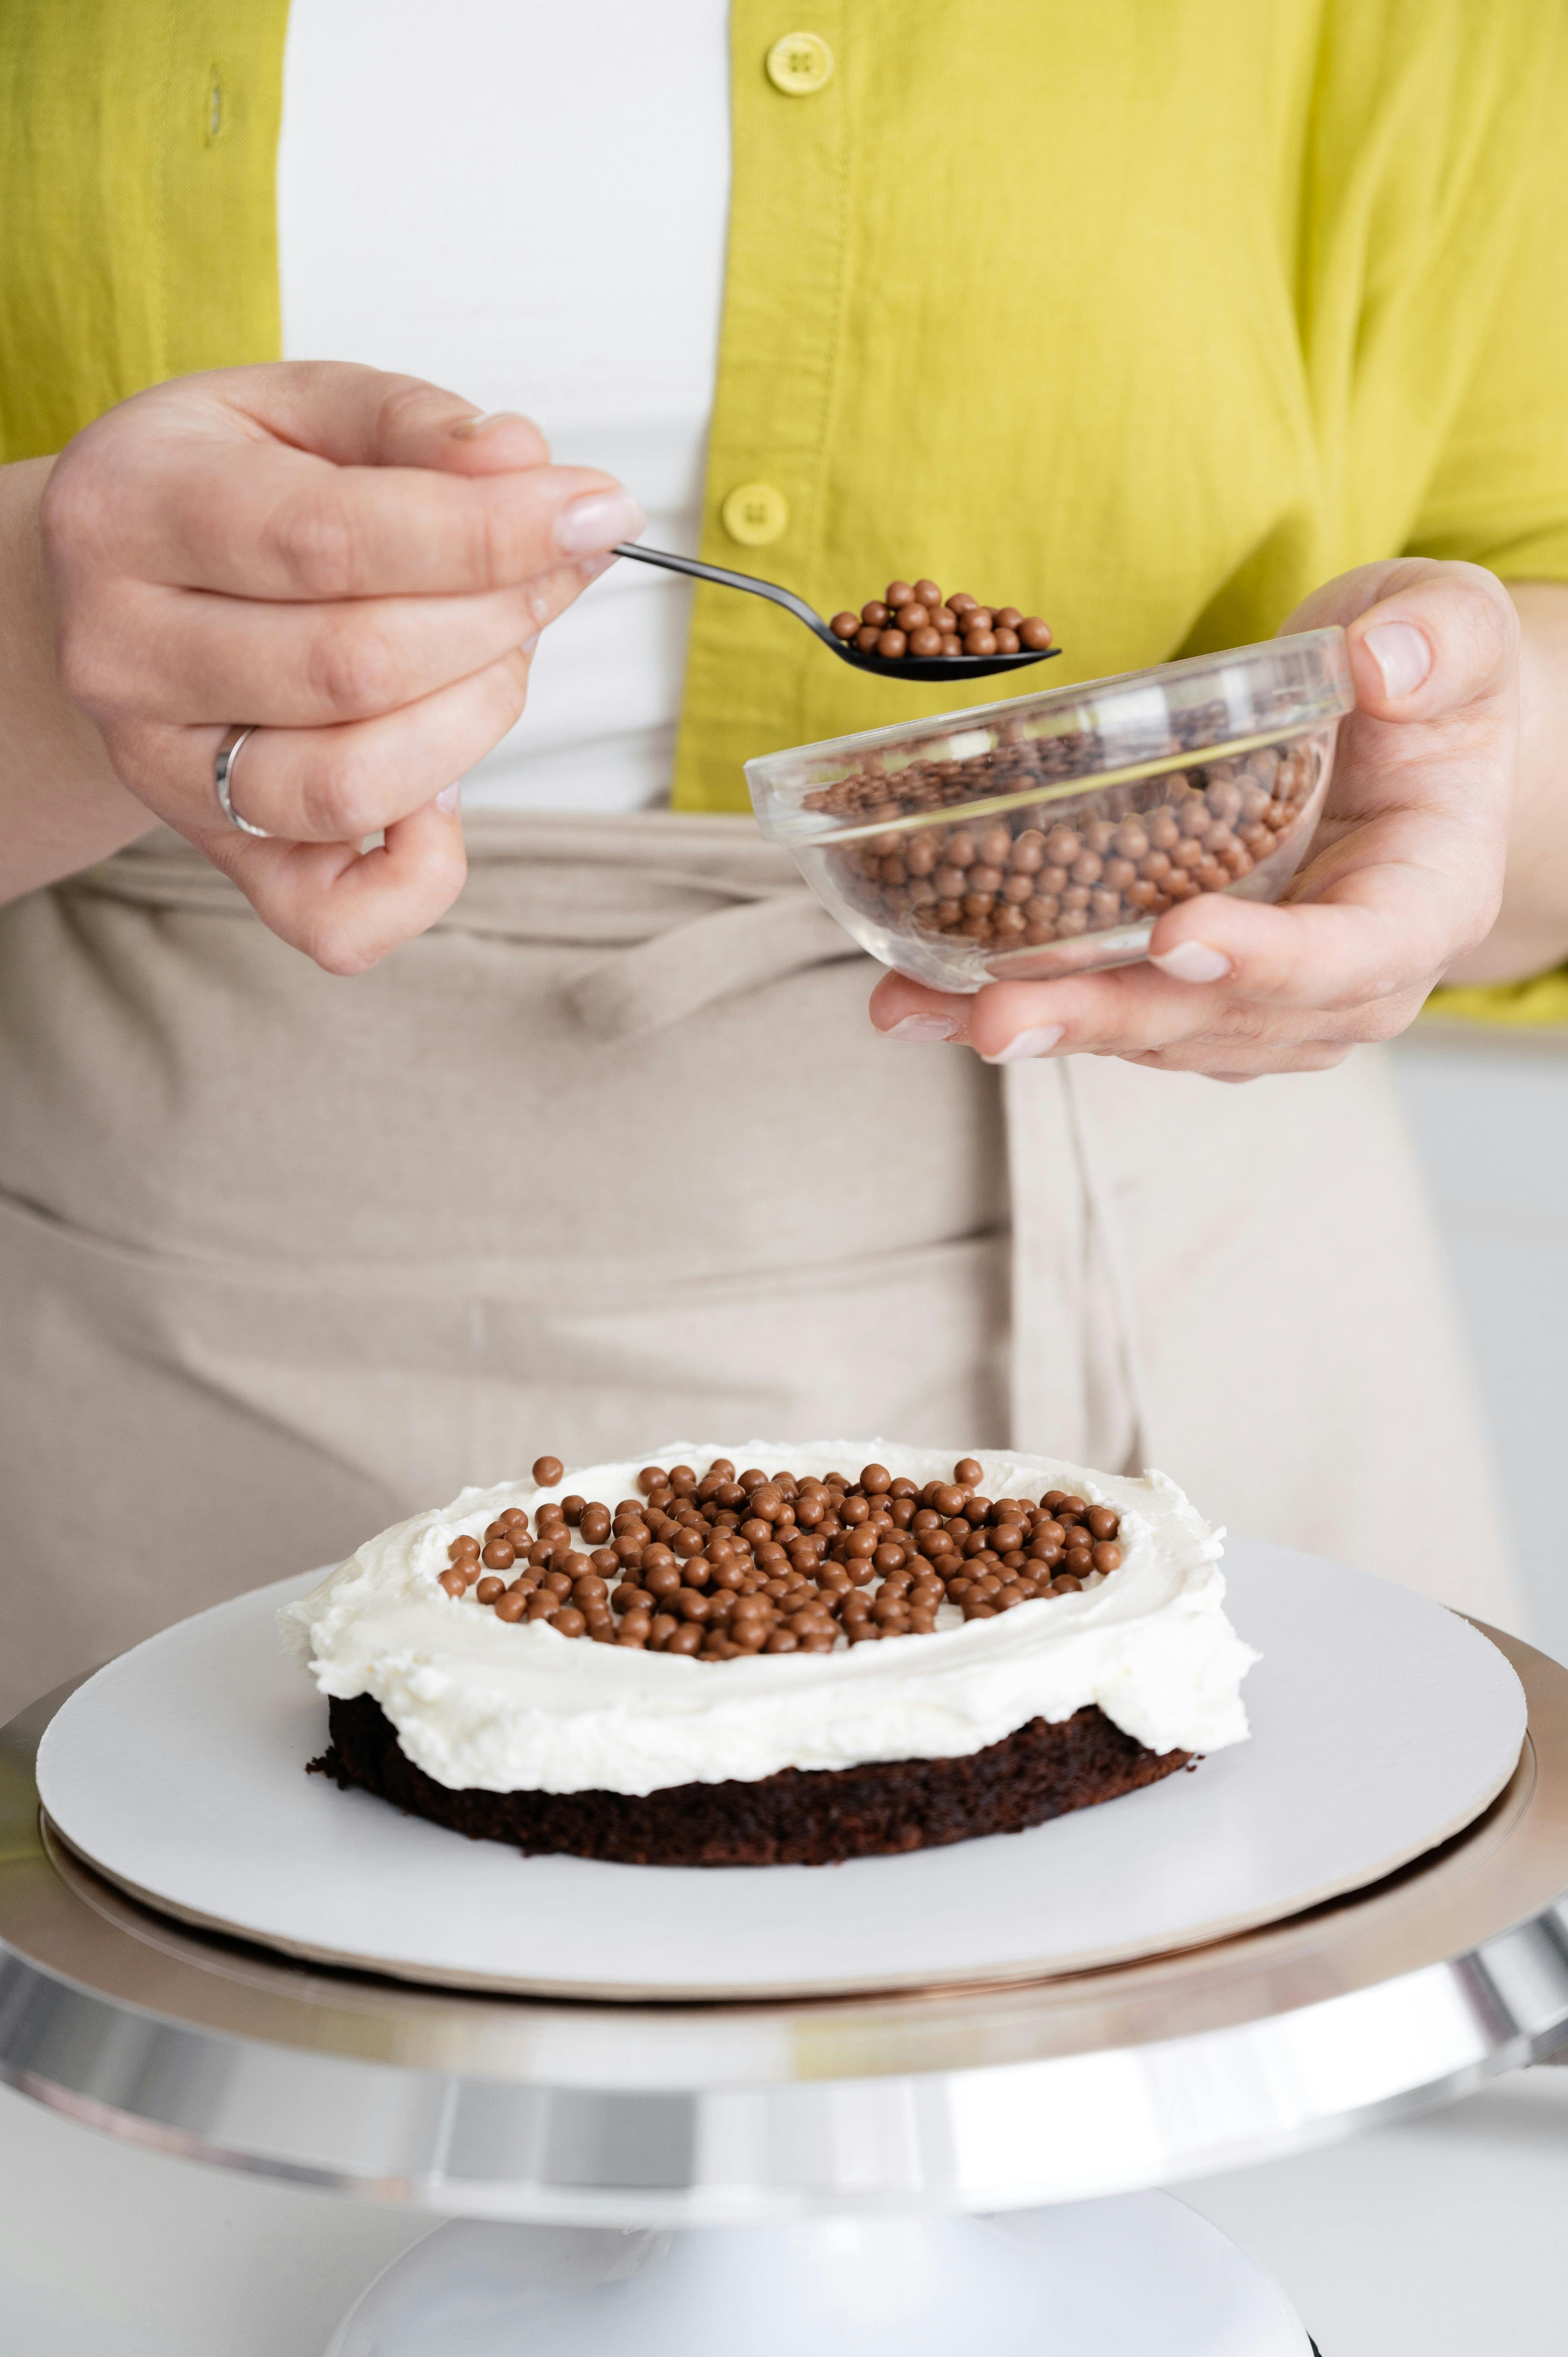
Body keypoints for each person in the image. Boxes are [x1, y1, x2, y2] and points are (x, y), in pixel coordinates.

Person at [2, 1, 1565, 1717]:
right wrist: (46, 636)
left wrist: (1426, 777)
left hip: (1189, 1331)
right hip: (166, 1331)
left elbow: (1522, 644)